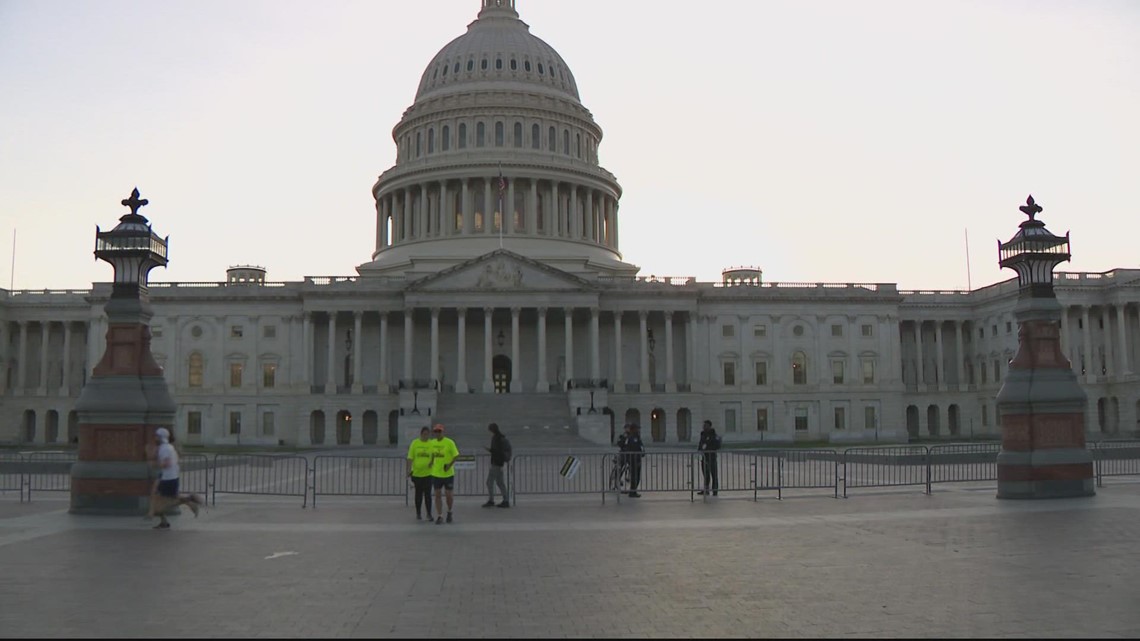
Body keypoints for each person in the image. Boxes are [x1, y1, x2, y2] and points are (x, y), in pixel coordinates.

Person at [149, 427, 203, 529]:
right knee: (157, 498)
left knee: (159, 506)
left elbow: (167, 463)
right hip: (169, 477)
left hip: (167, 479)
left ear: (161, 437)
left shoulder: (165, 448)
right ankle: (164, 521)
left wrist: (155, 464)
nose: (155, 438)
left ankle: (189, 499)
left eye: (157, 436)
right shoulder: (167, 447)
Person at [429, 423, 460, 524]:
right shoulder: (432, 443)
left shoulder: (449, 442)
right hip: (436, 473)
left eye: (439, 431)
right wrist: (431, 462)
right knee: (437, 495)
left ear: (442, 432)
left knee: (448, 495)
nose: (437, 433)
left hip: (447, 473)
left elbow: (456, 455)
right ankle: (440, 515)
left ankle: (449, 511)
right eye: (436, 432)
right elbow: (432, 454)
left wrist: (449, 465)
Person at [406, 426, 434, 521]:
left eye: (428, 434)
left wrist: (432, 462)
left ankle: (429, 514)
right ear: (421, 434)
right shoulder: (415, 443)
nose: (426, 436)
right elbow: (410, 457)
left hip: (428, 474)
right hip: (417, 474)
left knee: (428, 495)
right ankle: (418, 513)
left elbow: (435, 454)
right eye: (424, 434)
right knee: (418, 494)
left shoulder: (431, 443)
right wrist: (408, 470)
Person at [483, 422, 510, 508]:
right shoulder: (500, 437)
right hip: (499, 463)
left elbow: (497, 451)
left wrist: (489, 450)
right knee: (500, 482)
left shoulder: (496, 438)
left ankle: (491, 500)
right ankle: (506, 500)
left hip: (496, 463)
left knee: (489, 482)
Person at [618, 423, 645, 497]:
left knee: (637, 476)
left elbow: (641, 446)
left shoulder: (637, 437)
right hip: (633, 459)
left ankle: (634, 490)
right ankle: (632, 491)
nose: (638, 430)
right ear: (633, 429)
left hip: (637, 459)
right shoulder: (630, 437)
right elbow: (628, 447)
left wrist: (642, 452)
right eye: (637, 428)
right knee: (634, 476)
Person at [697, 419, 721, 496]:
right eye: (703, 425)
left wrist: (708, 448)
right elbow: (701, 444)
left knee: (714, 475)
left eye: (705, 425)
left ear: (709, 426)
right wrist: (700, 449)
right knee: (706, 475)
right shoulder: (703, 434)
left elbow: (717, 445)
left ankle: (715, 490)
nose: (704, 427)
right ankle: (706, 489)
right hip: (704, 458)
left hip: (712, 458)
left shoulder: (714, 435)